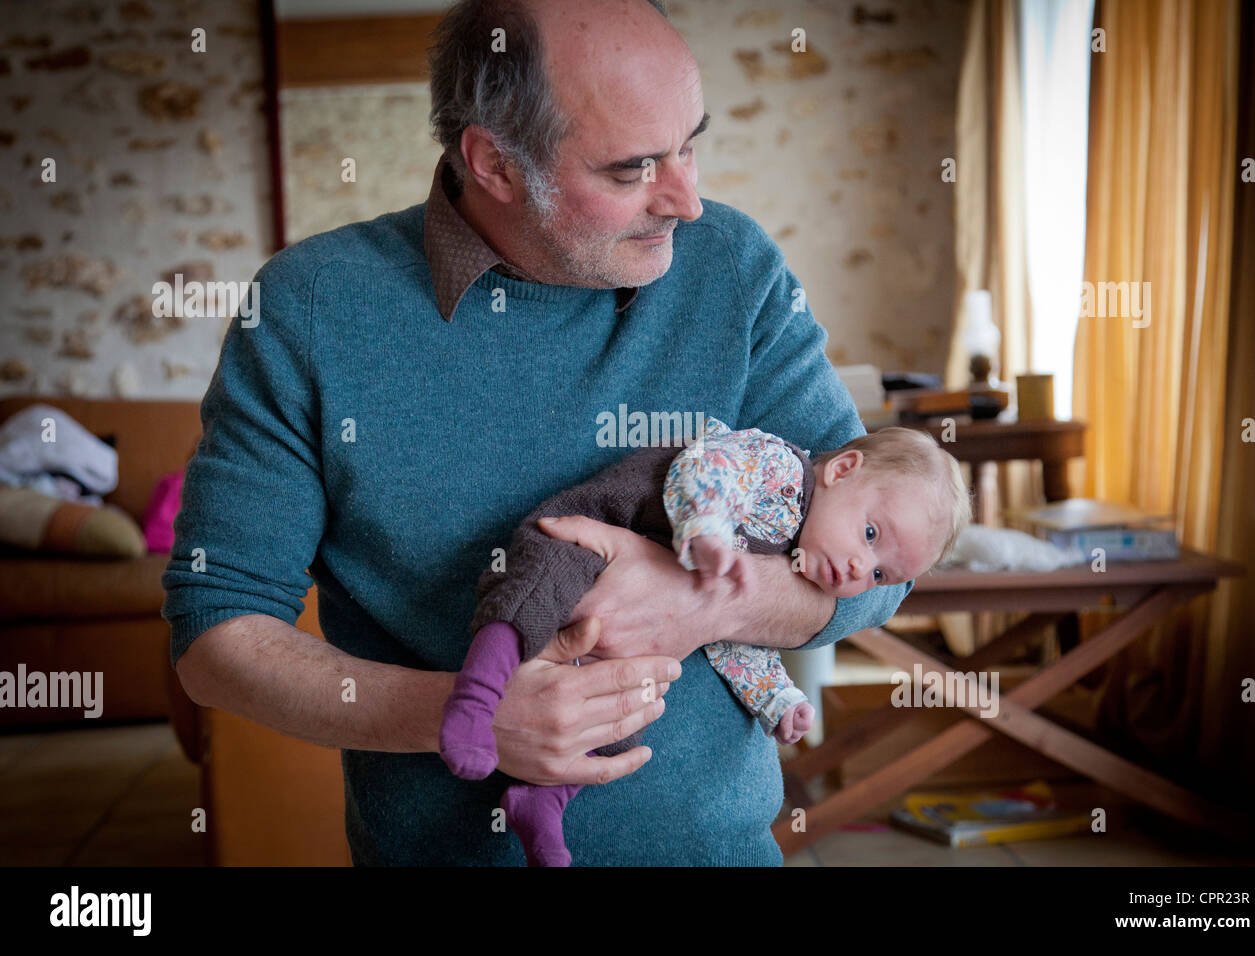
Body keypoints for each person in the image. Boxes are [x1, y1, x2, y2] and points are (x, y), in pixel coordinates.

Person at [162, 0, 924, 865]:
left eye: (689, 143)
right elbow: (215, 632)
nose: (688, 198)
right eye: (633, 168)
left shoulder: (736, 270)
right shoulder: (309, 309)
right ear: (493, 162)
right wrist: (467, 713)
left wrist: (699, 602)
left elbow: (884, 566)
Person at [443, 417, 970, 865]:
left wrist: (778, 700)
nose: (861, 567)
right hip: (594, 531)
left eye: (879, 575)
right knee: (534, 591)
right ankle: (476, 698)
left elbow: (734, 642)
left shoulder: (789, 550)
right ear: (842, 469)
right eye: (871, 535)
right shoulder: (777, 467)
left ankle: (545, 800)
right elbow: (708, 465)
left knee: (627, 707)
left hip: (608, 644)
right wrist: (708, 529)